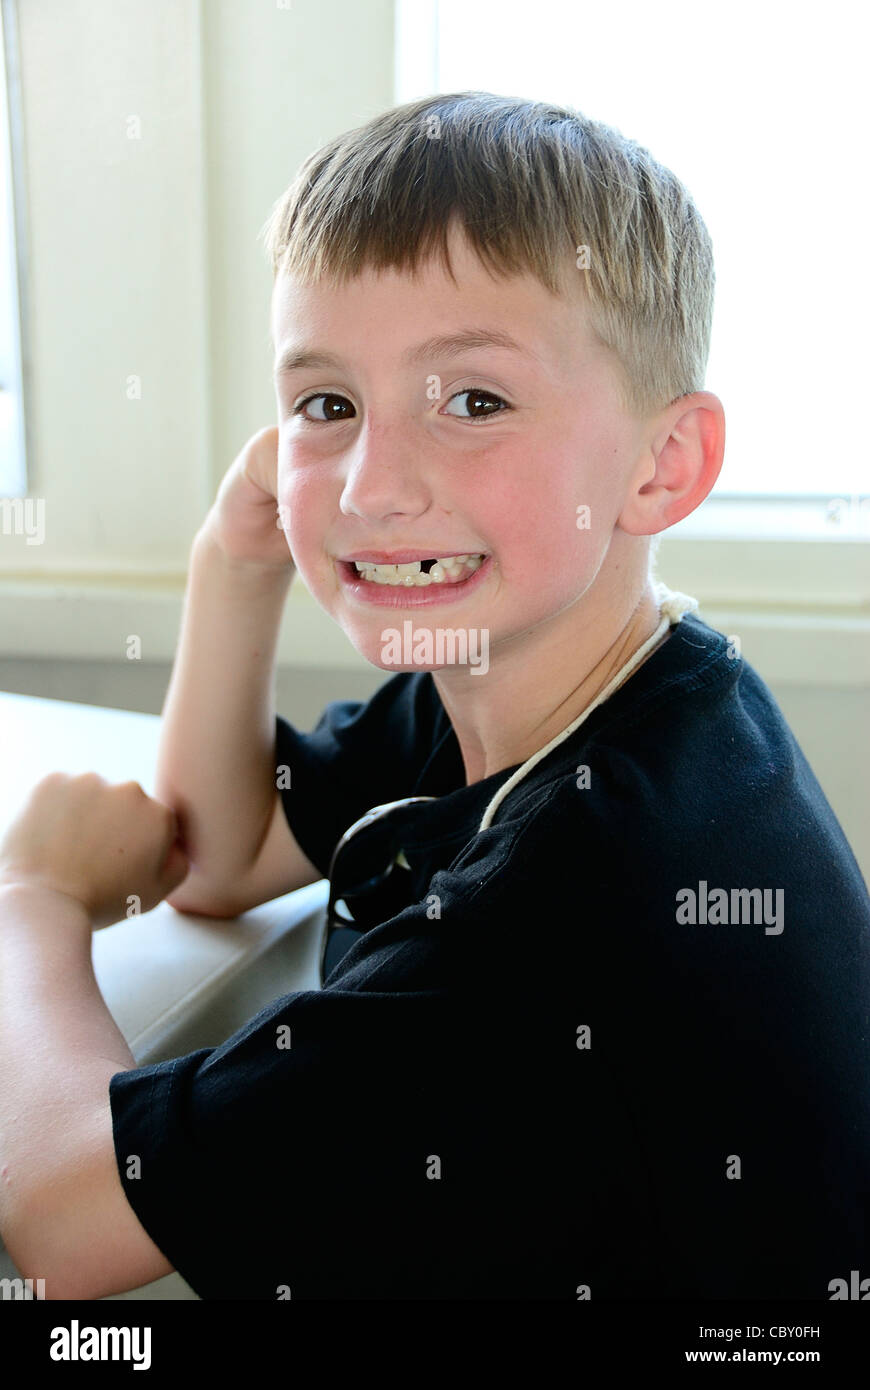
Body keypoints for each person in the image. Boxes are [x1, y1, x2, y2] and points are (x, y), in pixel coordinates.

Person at [1, 91, 868, 1300]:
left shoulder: (568, 900)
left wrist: (28, 900)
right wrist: (234, 561)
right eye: (327, 405)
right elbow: (226, 848)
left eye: (473, 400)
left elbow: (65, 1228)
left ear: (663, 467)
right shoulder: (568, 674)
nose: (370, 483)